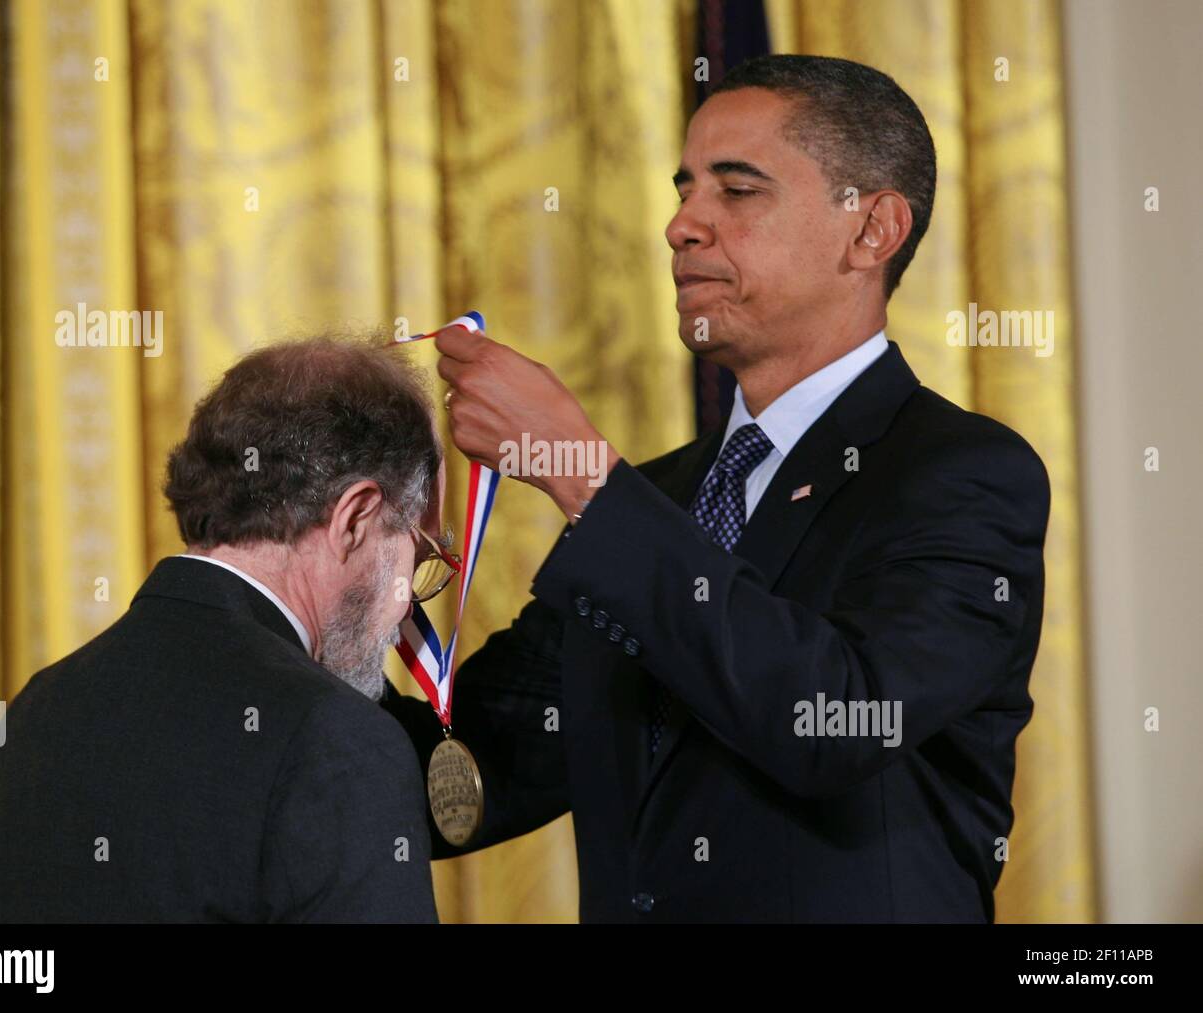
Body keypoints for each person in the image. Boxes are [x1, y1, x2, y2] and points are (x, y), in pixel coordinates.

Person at [384, 54, 1050, 922]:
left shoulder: (961, 474)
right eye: (684, 189)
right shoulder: (647, 501)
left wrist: (582, 472)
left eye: (736, 191)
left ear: (872, 230)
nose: (681, 225)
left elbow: (836, 720)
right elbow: (467, 782)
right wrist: (309, 576)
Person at [0, 336, 444, 923]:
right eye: (420, 552)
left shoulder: (35, 710)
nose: (406, 610)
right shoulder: (336, 739)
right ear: (355, 518)